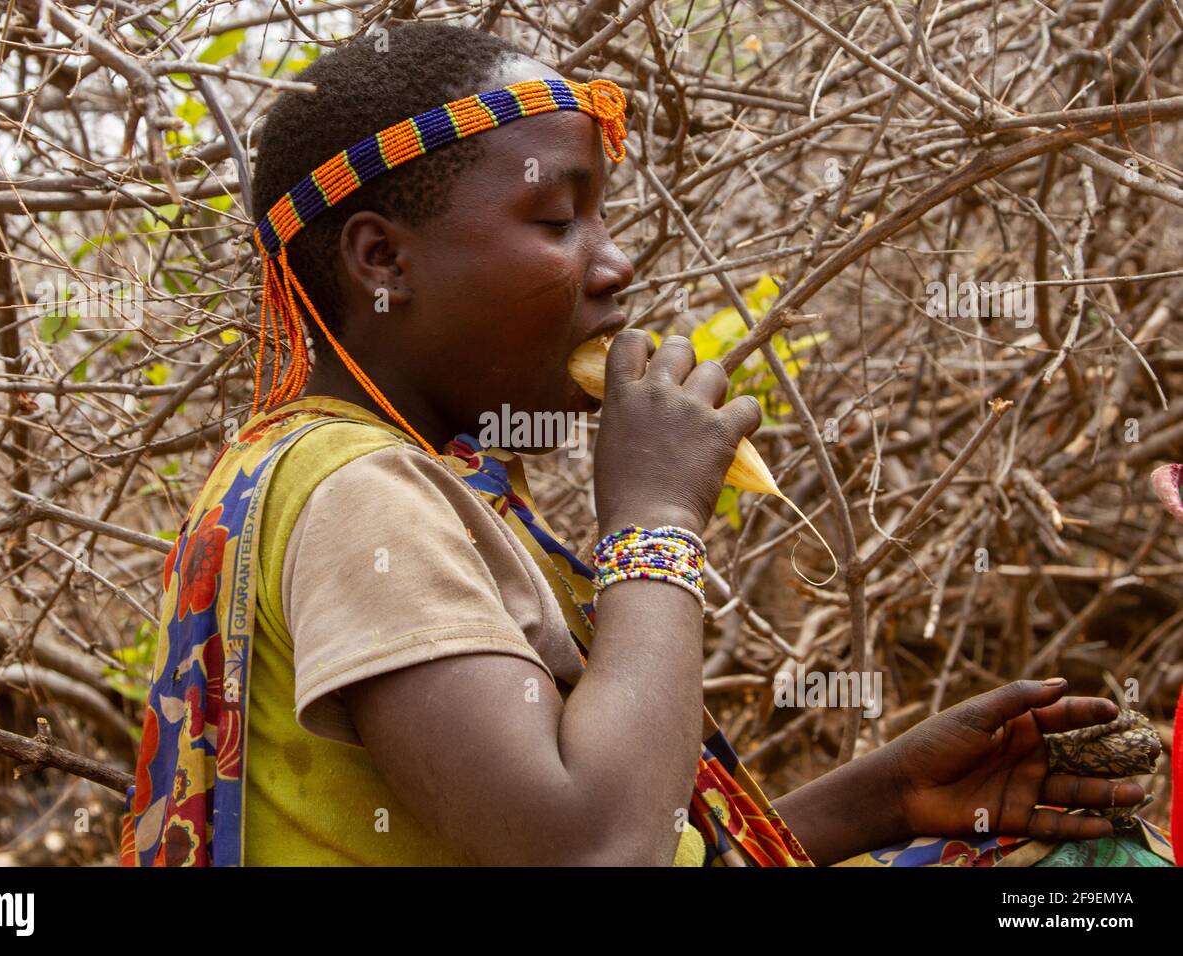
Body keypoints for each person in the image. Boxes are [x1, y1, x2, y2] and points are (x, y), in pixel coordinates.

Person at [119, 21, 1172, 867]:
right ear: (381, 260)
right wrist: (657, 524)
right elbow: (589, 847)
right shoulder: (360, 493)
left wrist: (889, 795)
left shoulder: (362, 472)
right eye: (555, 220)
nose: (615, 265)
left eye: (604, 218)